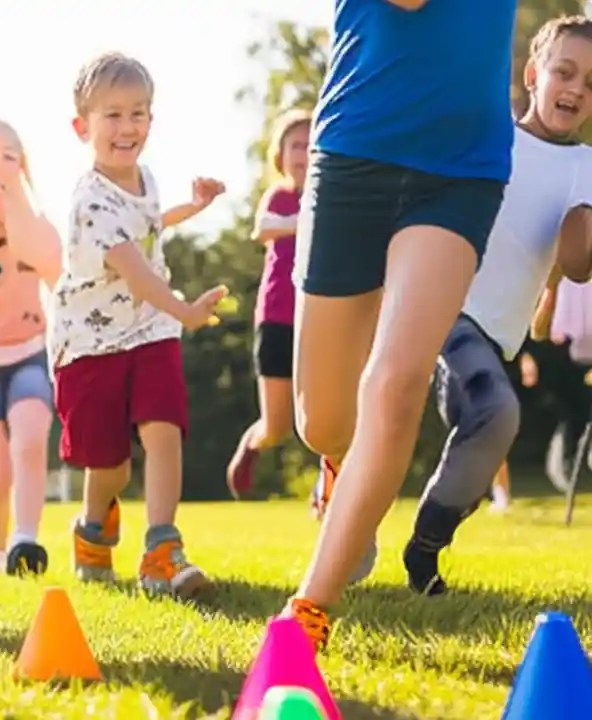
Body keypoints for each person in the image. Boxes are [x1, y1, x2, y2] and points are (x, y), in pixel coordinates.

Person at [285, 0, 517, 650]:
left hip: (463, 168)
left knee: (396, 382)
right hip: (355, 152)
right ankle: (342, 468)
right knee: (322, 422)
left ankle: (309, 609)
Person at [402, 15, 592, 597]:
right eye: (565, 72)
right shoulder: (492, 134)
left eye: (591, 83)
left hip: (497, 337)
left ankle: (433, 535)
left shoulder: (585, 167)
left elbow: (578, 264)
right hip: (444, 305)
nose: (577, 89)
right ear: (533, 75)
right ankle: (423, 550)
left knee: (487, 437)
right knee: (499, 412)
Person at [52, 52, 228, 600]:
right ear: (83, 127)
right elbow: (135, 269)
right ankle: (92, 527)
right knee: (111, 466)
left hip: (150, 329)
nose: (127, 127)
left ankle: (161, 550)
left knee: (164, 427)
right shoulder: (89, 201)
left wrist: (191, 208)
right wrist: (186, 311)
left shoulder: (145, 178)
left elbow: (147, 226)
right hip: (91, 342)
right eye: (113, 115)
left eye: (138, 113)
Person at [0, 120, 63, 577]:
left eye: (11, 155)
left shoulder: (32, 220)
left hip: (28, 354)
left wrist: (16, 200)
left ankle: (25, 540)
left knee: (30, 439)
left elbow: (55, 271)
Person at [226, 108, 311, 499]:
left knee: (325, 416)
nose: (303, 153)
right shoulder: (280, 196)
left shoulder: (332, 197)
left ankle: (329, 488)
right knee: (277, 426)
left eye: (310, 145)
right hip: (277, 317)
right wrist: (303, 222)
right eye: (295, 145)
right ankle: (252, 444)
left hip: (320, 318)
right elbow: (262, 229)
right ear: (281, 155)